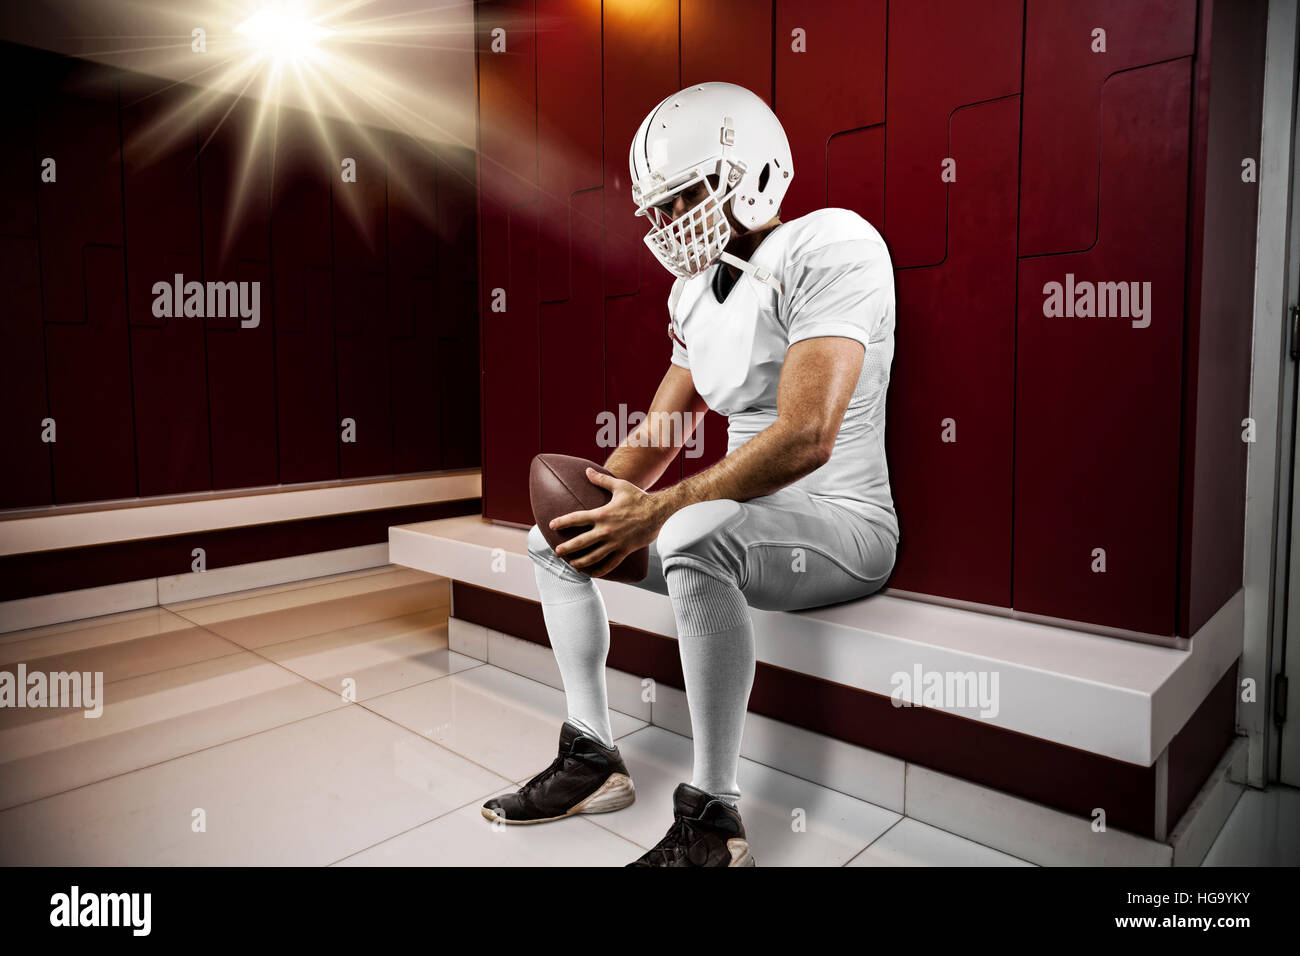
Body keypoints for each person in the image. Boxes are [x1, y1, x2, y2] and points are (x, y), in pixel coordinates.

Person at [481, 81, 899, 867]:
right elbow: (663, 432)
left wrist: (659, 512)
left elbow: (806, 437)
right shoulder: (693, 293)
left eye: (684, 199)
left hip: (842, 524)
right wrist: (601, 507)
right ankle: (592, 757)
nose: (669, 224)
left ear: (754, 173)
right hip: (748, 521)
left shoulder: (832, 243)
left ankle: (712, 819)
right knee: (554, 543)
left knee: (698, 536)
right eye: (659, 209)